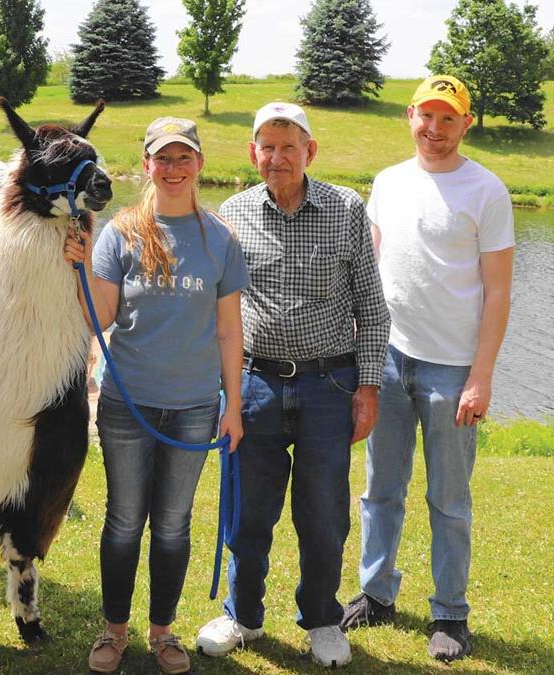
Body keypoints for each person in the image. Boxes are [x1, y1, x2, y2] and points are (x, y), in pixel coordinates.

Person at [195, 102, 389, 668]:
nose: (277, 157)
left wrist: (369, 388)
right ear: (253, 153)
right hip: (254, 384)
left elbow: (373, 312)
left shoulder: (346, 209)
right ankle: (243, 615)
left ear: (310, 152)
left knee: (323, 513)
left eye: (288, 146)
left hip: (330, 383)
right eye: (267, 147)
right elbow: (217, 313)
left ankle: (322, 619)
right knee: (248, 511)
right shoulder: (232, 212)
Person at [340, 75, 514, 662]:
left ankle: (450, 614)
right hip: (387, 359)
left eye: (449, 119)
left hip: (452, 369)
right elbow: (370, 272)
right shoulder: (387, 183)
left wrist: (481, 376)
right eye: (426, 117)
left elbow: (498, 292)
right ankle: (376, 593)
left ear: (467, 124)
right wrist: (361, 354)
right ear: (409, 115)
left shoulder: (487, 190)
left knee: (449, 500)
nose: (435, 130)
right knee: (379, 490)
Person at [66, 117, 248, 675]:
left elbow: (228, 330)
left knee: (172, 523)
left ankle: (163, 633)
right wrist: (80, 267)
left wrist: (233, 406)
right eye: (162, 159)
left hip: (195, 408)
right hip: (127, 404)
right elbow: (98, 318)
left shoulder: (219, 239)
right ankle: (114, 631)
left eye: (183, 157)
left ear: (199, 164)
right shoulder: (120, 233)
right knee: (124, 520)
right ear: (146, 165)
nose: (173, 169)